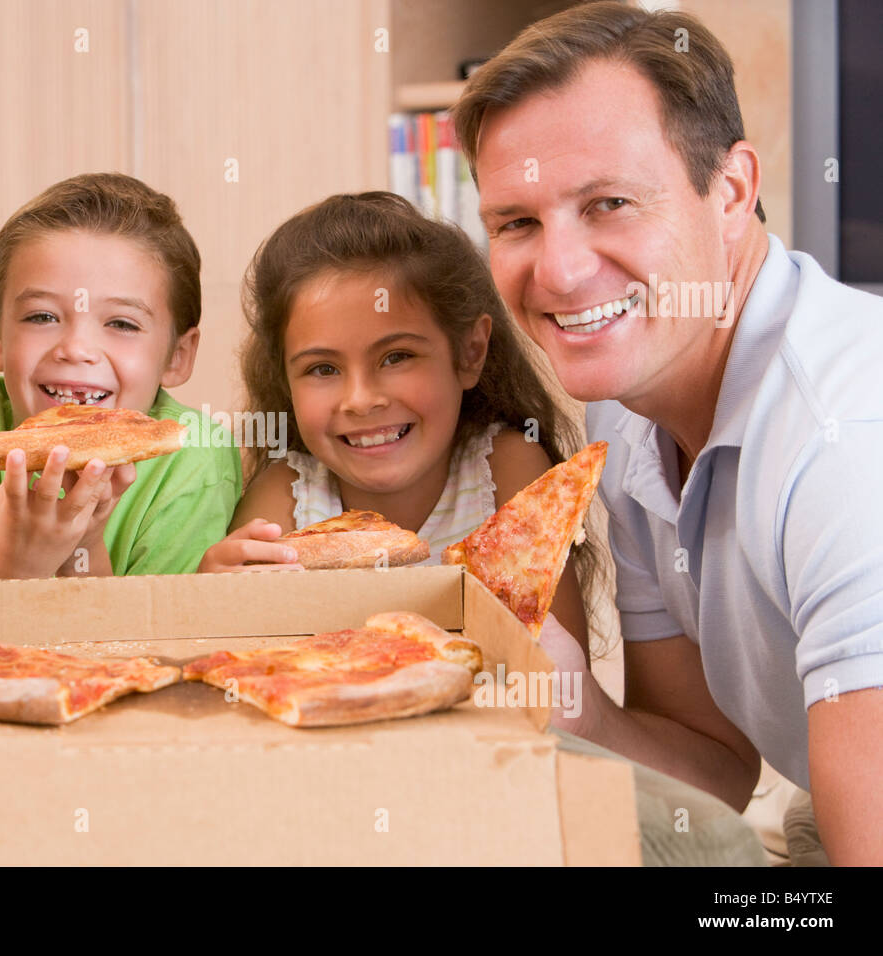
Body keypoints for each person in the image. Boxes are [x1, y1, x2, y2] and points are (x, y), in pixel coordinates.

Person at [456, 1, 883, 864]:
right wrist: (580, 708)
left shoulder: (846, 445)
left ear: (731, 191)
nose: (561, 271)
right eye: (517, 223)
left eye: (610, 202)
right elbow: (713, 768)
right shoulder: (630, 401)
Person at [200, 192, 597, 652]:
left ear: (470, 353)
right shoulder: (286, 496)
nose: (361, 400)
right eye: (323, 369)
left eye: (397, 357)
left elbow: (560, 674)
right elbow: (240, 663)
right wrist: (213, 601)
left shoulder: (507, 471)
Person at [0, 173, 241, 580]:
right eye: (42, 316)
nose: (76, 348)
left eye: (122, 324)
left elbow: (155, 641)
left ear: (177, 356)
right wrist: (21, 564)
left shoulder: (195, 457)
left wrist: (85, 547)